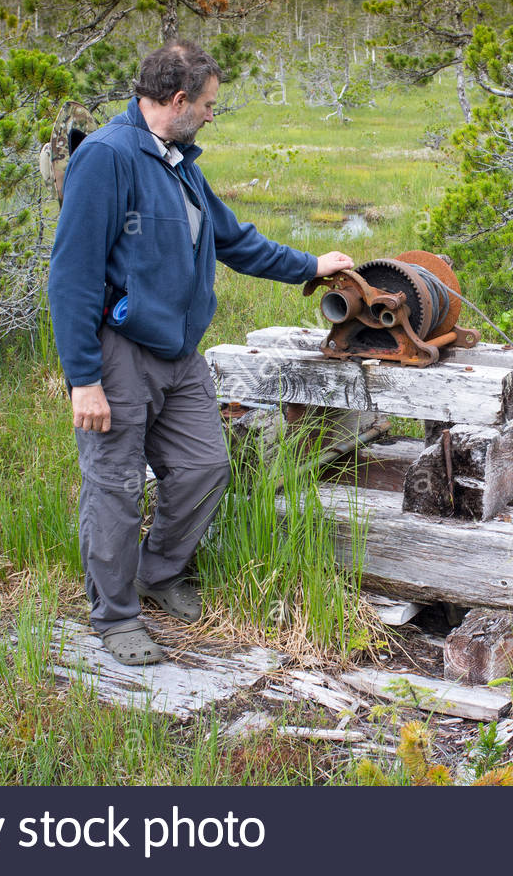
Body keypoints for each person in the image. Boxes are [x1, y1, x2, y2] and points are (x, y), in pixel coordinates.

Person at [48, 39, 353, 665]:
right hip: (119, 354)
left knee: (205, 467)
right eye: (209, 104)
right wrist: (84, 378)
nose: (213, 114)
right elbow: (72, 275)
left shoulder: (179, 162)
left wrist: (311, 264)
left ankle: (156, 575)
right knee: (116, 485)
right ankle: (115, 618)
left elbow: (233, 240)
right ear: (179, 99)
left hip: (180, 356)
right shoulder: (107, 158)